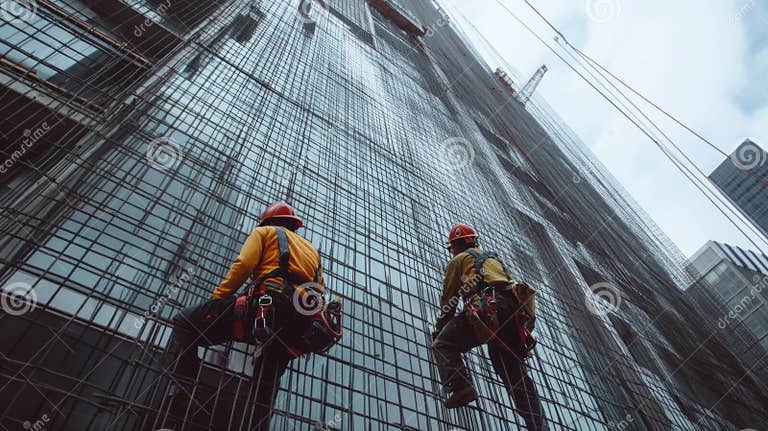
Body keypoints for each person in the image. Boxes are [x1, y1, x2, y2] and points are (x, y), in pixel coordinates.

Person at [162, 202, 325, 430]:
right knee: (265, 388)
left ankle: (182, 390)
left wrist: (218, 299)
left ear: (268, 221)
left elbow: (244, 264)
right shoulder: (313, 253)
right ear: (294, 226)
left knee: (184, 323)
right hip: (295, 327)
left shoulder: (264, 232)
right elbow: (318, 294)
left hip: (265, 307)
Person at [431, 223, 547, 430]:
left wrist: (439, 330)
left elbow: (449, 299)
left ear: (457, 245)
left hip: (489, 310)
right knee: (514, 376)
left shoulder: (458, 261)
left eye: (451, 248)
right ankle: (538, 426)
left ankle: (461, 387)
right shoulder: (495, 259)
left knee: (443, 344)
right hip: (512, 317)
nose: (451, 252)